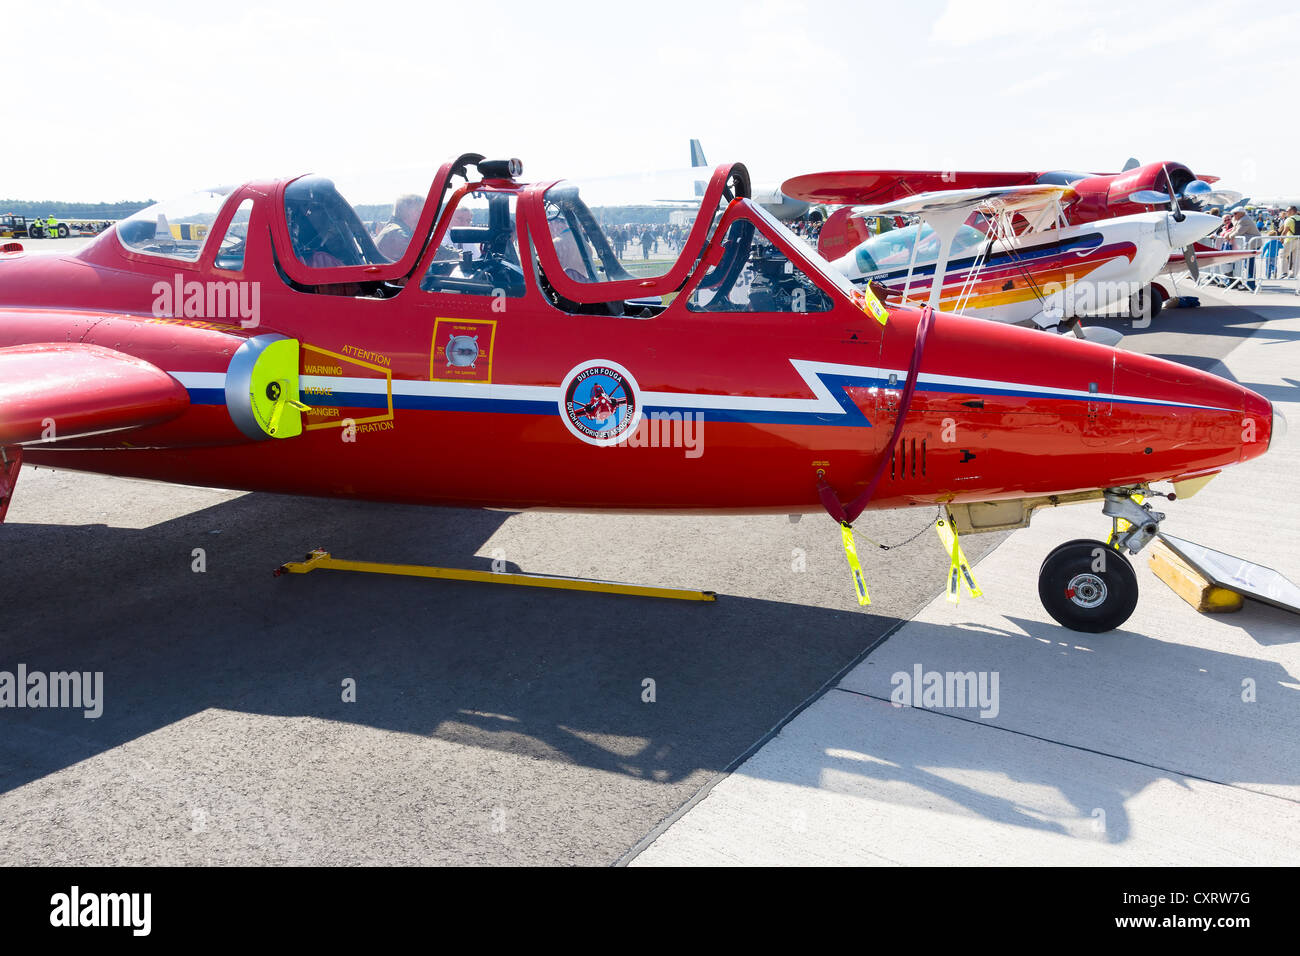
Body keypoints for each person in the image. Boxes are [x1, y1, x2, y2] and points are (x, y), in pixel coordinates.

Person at [374, 193, 423, 261]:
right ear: (408, 211)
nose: (423, 215)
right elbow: (426, 258)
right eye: (419, 210)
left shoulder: (392, 230)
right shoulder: (398, 235)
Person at [1280, 206, 1300, 279]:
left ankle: (1284, 272)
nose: (1286, 212)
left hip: (1290, 240)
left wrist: (1281, 239)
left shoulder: (1289, 219)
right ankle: (1294, 274)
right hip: (1299, 239)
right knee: (1296, 258)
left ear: (1292, 211)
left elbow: (1285, 231)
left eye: (1287, 211)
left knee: (1283, 255)